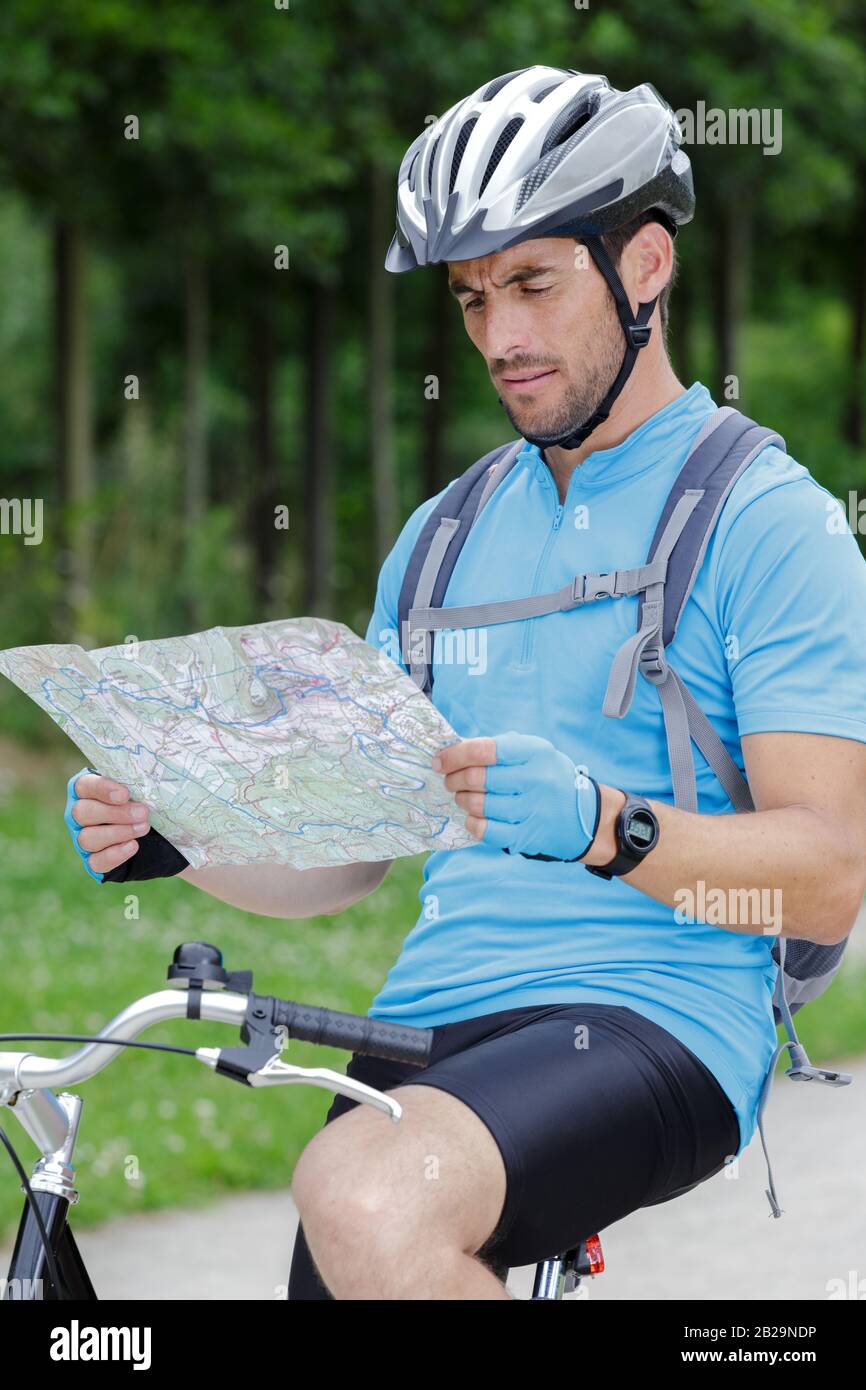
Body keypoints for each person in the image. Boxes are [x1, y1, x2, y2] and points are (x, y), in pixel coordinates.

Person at [66, 66, 866, 1301]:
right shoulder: (440, 537)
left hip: (651, 1015)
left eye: (534, 282)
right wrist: (179, 835)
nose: (499, 338)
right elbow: (354, 851)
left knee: (360, 1196)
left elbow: (829, 868)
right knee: (351, 1229)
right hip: (429, 1029)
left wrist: (607, 827)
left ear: (643, 265)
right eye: (472, 296)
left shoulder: (768, 523)